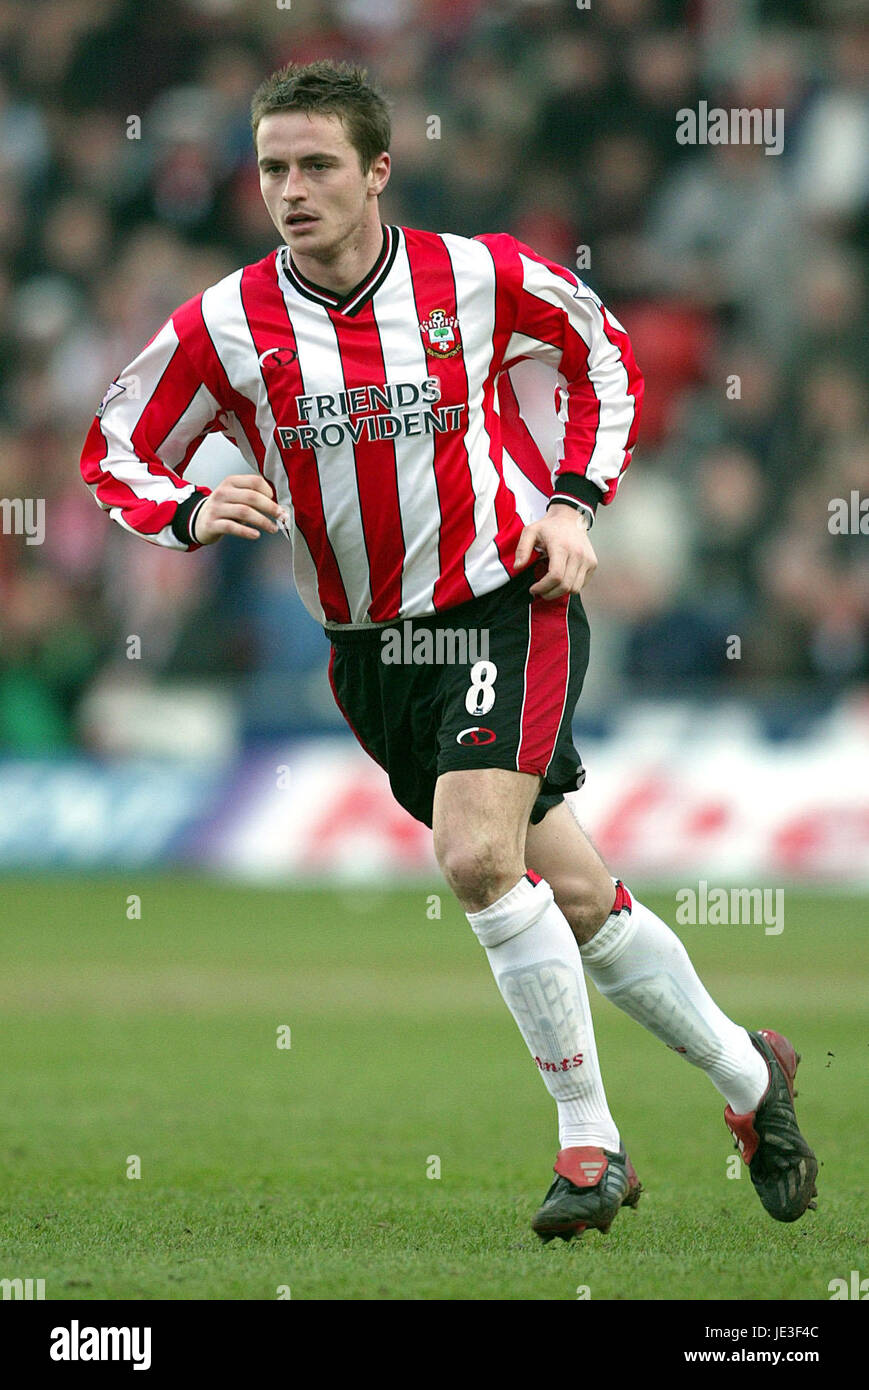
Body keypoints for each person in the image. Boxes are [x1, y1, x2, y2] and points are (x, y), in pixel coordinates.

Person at [80, 60, 817, 1240]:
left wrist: (571, 503)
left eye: (318, 165)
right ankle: (750, 1074)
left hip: (501, 602)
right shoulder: (222, 323)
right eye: (272, 168)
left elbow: (603, 355)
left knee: (475, 856)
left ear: (377, 169)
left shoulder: (473, 276)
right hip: (369, 652)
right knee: (571, 891)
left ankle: (589, 1145)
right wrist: (187, 506)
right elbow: (113, 442)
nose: (292, 189)